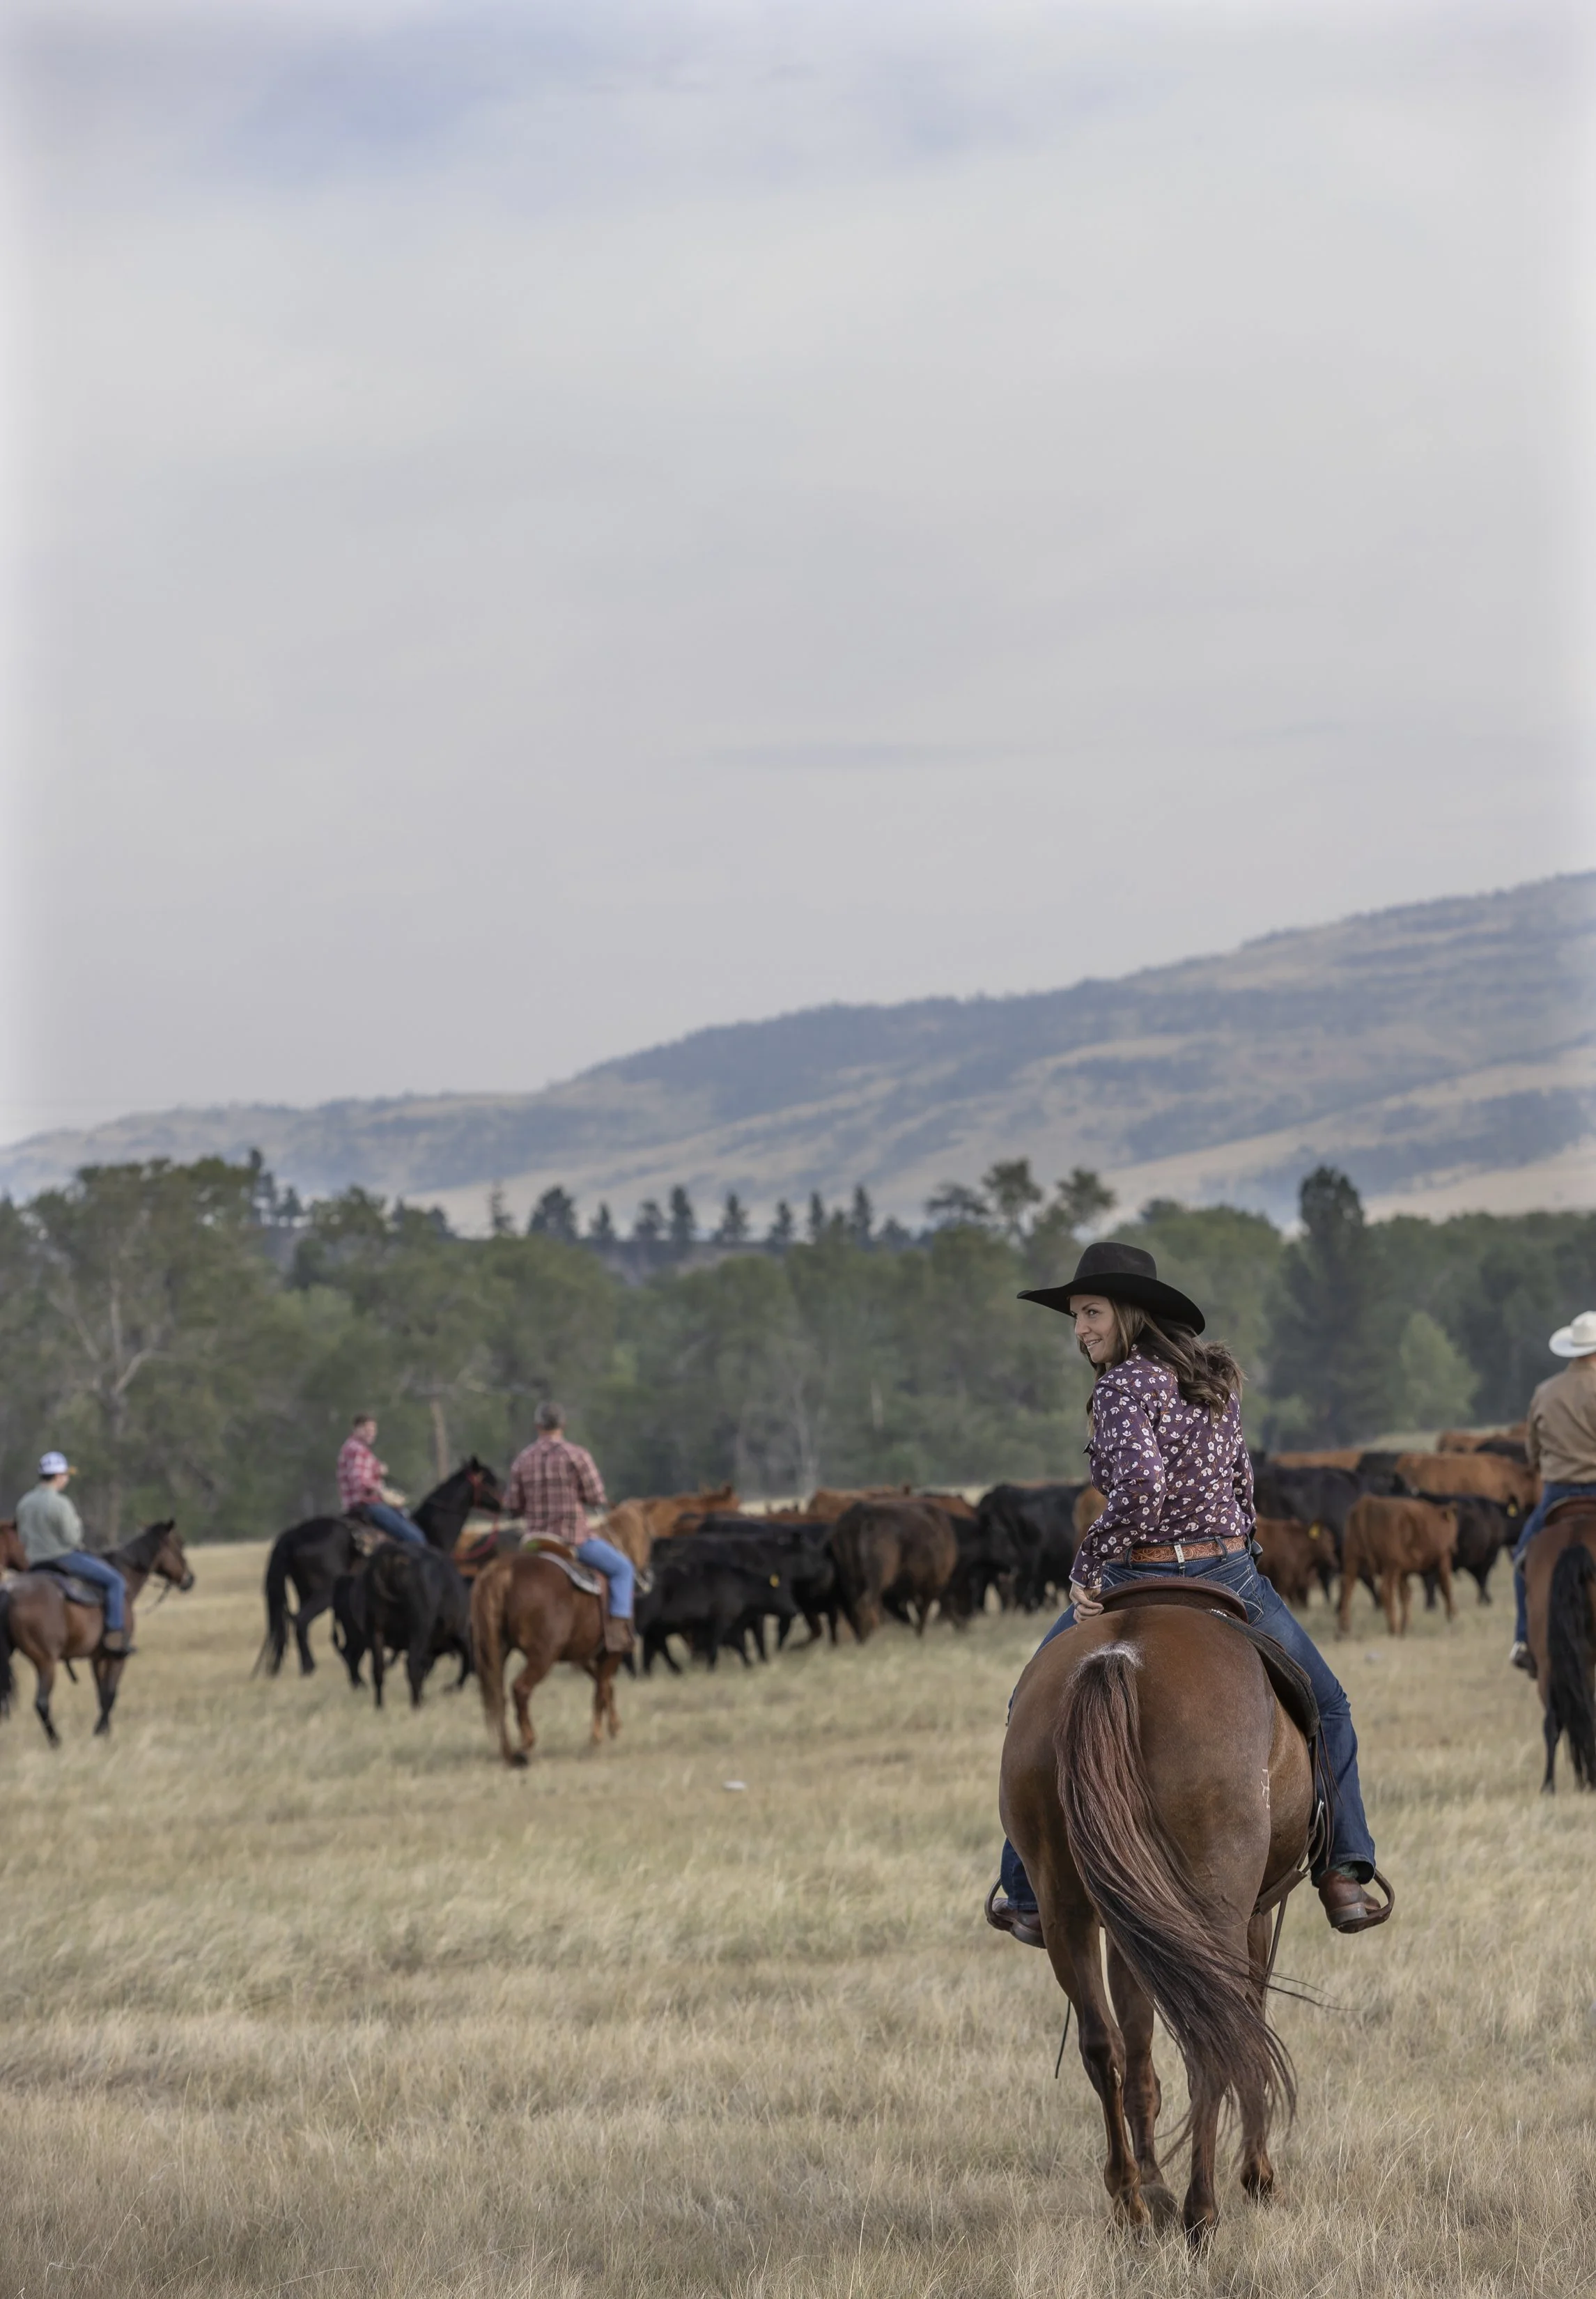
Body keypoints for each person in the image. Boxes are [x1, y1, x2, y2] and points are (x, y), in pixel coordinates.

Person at [986, 1241, 1386, 1946]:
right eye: (1075, 1316)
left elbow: (1139, 1491)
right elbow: (1241, 1483)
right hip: (1229, 1573)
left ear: (1128, 1314)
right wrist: (1234, 1550)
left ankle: (1025, 1892)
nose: (1078, 1329)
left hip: (1134, 1575)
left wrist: (1088, 1566)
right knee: (1326, 1704)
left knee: (1028, 1705)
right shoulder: (1215, 1383)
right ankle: (1342, 1870)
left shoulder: (1116, 1390)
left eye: (1089, 1313)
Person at [503, 1402, 633, 1653]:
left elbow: (513, 1506)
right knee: (623, 1569)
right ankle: (617, 1631)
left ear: (537, 1426)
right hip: (574, 1540)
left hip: (535, 1542)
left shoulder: (522, 1460)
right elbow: (596, 1497)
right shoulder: (577, 1455)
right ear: (563, 1425)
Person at [1508, 1309, 1596, 1673]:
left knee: (1523, 1560)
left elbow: (1533, 1452)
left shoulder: (1545, 1392)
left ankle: (1524, 1638)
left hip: (1557, 1495)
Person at [15, 1452, 134, 1655]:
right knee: (116, 1581)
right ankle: (115, 1634)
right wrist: (78, 1525)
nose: (67, 1479)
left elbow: (23, 1537)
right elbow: (71, 1539)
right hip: (64, 1559)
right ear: (58, 1476)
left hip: (34, 1563)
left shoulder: (24, 1503)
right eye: (66, 1475)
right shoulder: (61, 1504)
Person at [336, 1415, 428, 1546]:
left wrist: (377, 1470)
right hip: (366, 1505)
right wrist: (382, 1491)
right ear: (356, 1429)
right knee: (416, 1539)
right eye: (366, 1429)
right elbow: (360, 1482)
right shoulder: (357, 1449)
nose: (371, 1433)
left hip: (357, 1504)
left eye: (373, 1430)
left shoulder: (351, 1448)